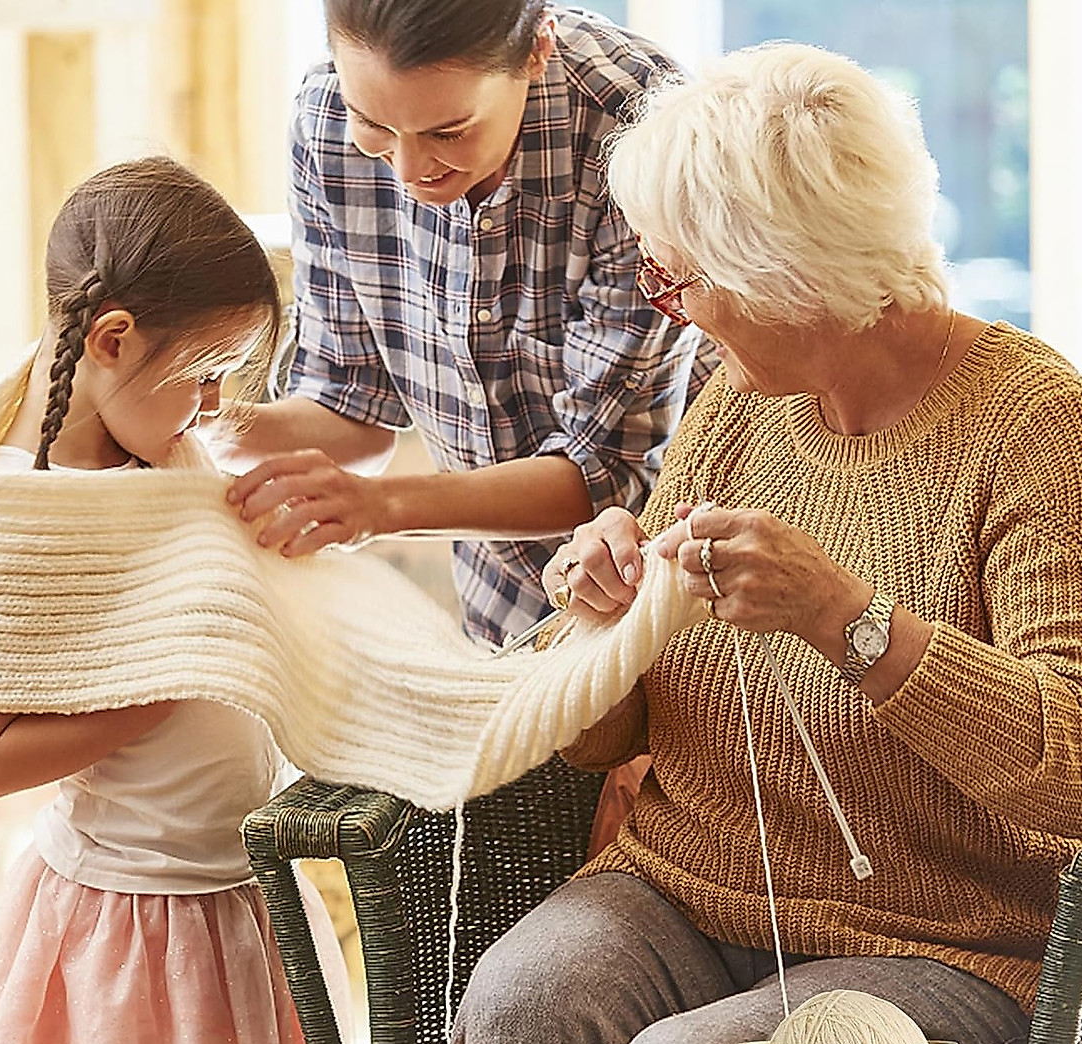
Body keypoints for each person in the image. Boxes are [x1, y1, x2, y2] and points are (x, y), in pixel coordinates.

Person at [446, 43, 1082, 1044]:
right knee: (520, 1004)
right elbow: (622, 728)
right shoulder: (737, 404)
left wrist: (846, 618)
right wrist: (602, 624)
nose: (668, 315)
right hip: (686, 892)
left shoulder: (1039, 430)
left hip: (949, 950)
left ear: (788, 270)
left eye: (683, 281)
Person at [0, 158, 350, 1044]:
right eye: (206, 371)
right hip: (125, 933)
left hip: (247, 907)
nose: (218, 402)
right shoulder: (17, 511)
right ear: (114, 339)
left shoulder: (173, 462)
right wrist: (159, 687)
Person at [222, 0, 716, 646]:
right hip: (500, 596)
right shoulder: (323, 125)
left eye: (448, 132)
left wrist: (383, 508)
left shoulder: (635, 126)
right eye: (373, 124)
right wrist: (200, 424)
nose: (407, 169)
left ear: (537, 48)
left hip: (667, 578)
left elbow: (602, 473)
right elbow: (352, 410)